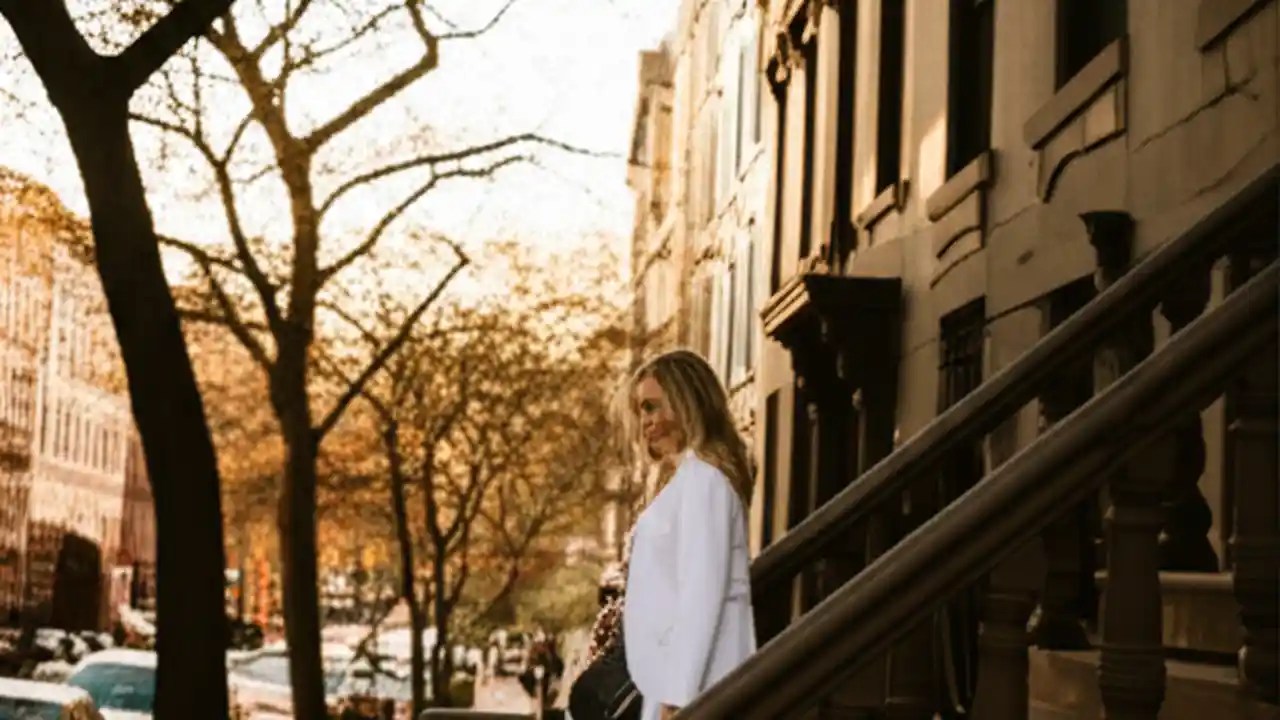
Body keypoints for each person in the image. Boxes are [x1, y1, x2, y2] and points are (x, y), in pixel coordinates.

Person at [615, 349, 756, 720]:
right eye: (641, 410)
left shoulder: (703, 481)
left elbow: (701, 591)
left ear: (687, 403)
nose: (645, 421)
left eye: (653, 406)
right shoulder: (688, 480)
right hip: (679, 678)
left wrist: (677, 695)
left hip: (698, 682)